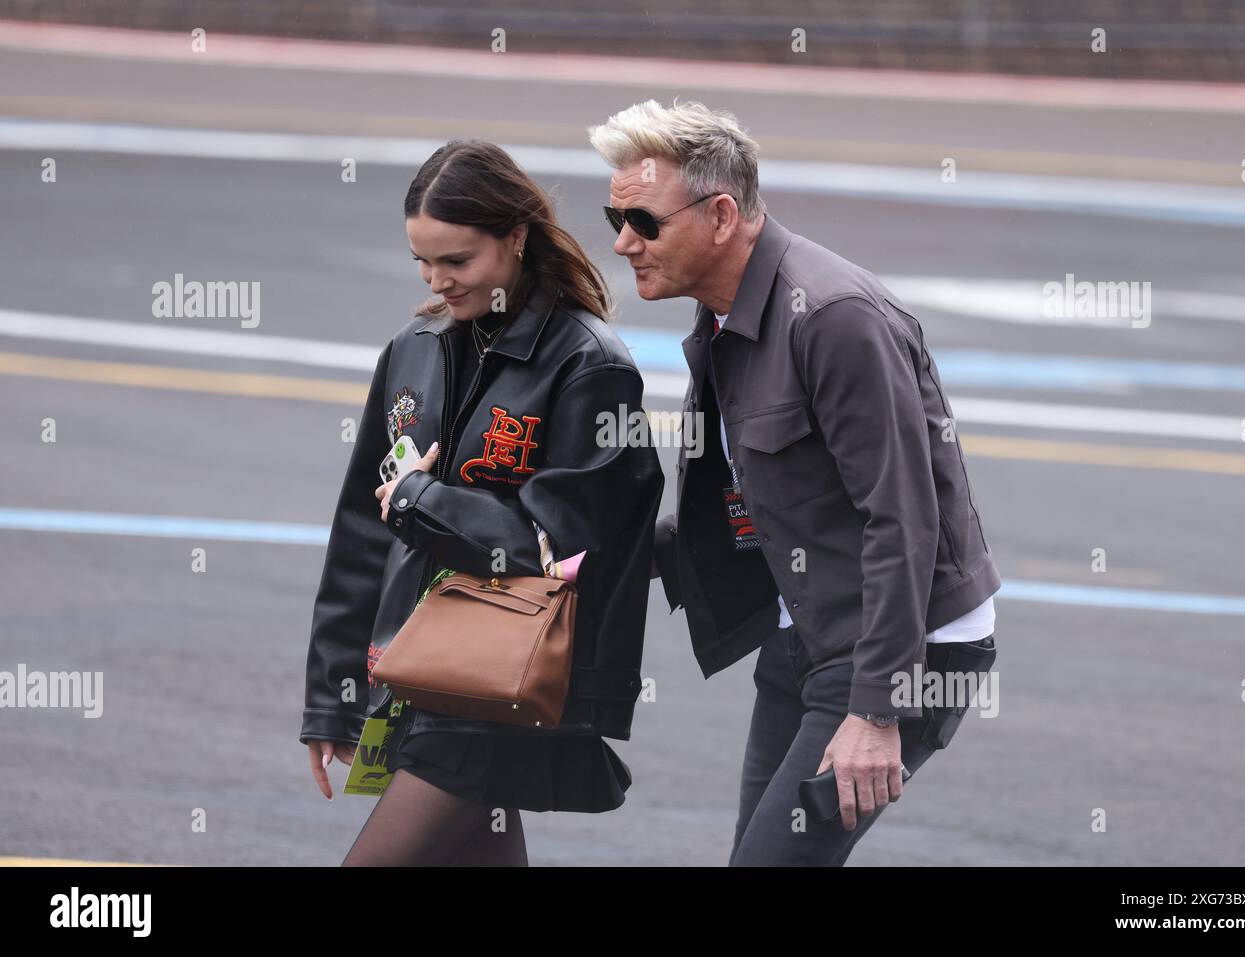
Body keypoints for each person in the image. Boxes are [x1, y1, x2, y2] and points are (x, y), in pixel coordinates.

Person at [588, 99, 1001, 866]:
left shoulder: (834, 318)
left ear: (719, 215)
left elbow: (902, 519)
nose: (622, 243)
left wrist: (879, 708)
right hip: (807, 630)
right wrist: (591, 554)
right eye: (614, 216)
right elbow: (765, 509)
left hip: (902, 646)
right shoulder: (726, 318)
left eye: (643, 221)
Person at [299, 139, 664, 866]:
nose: (438, 280)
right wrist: (332, 695)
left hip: (508, 683)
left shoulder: (589, 366)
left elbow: (557, 548)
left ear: (516, 238)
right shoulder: (413, 348)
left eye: (457, 261)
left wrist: (420, 501)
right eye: (423, 262)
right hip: (425, 671)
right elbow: (360, 532)